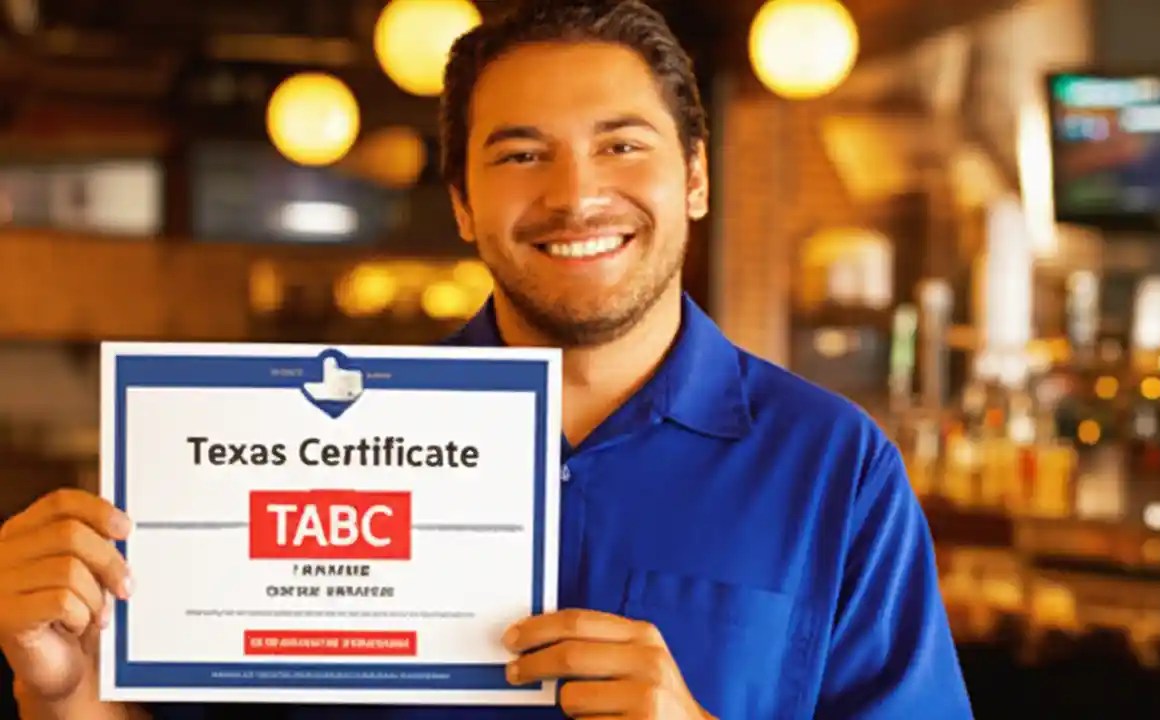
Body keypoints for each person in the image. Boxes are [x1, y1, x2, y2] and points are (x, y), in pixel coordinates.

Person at [0, 0, 974, 717]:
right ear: (462, 204)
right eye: (518, 155)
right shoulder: (301, 444)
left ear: (695, 176)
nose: (574, 194)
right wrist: (67, 692)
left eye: (622, 146)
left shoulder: (833, 469)